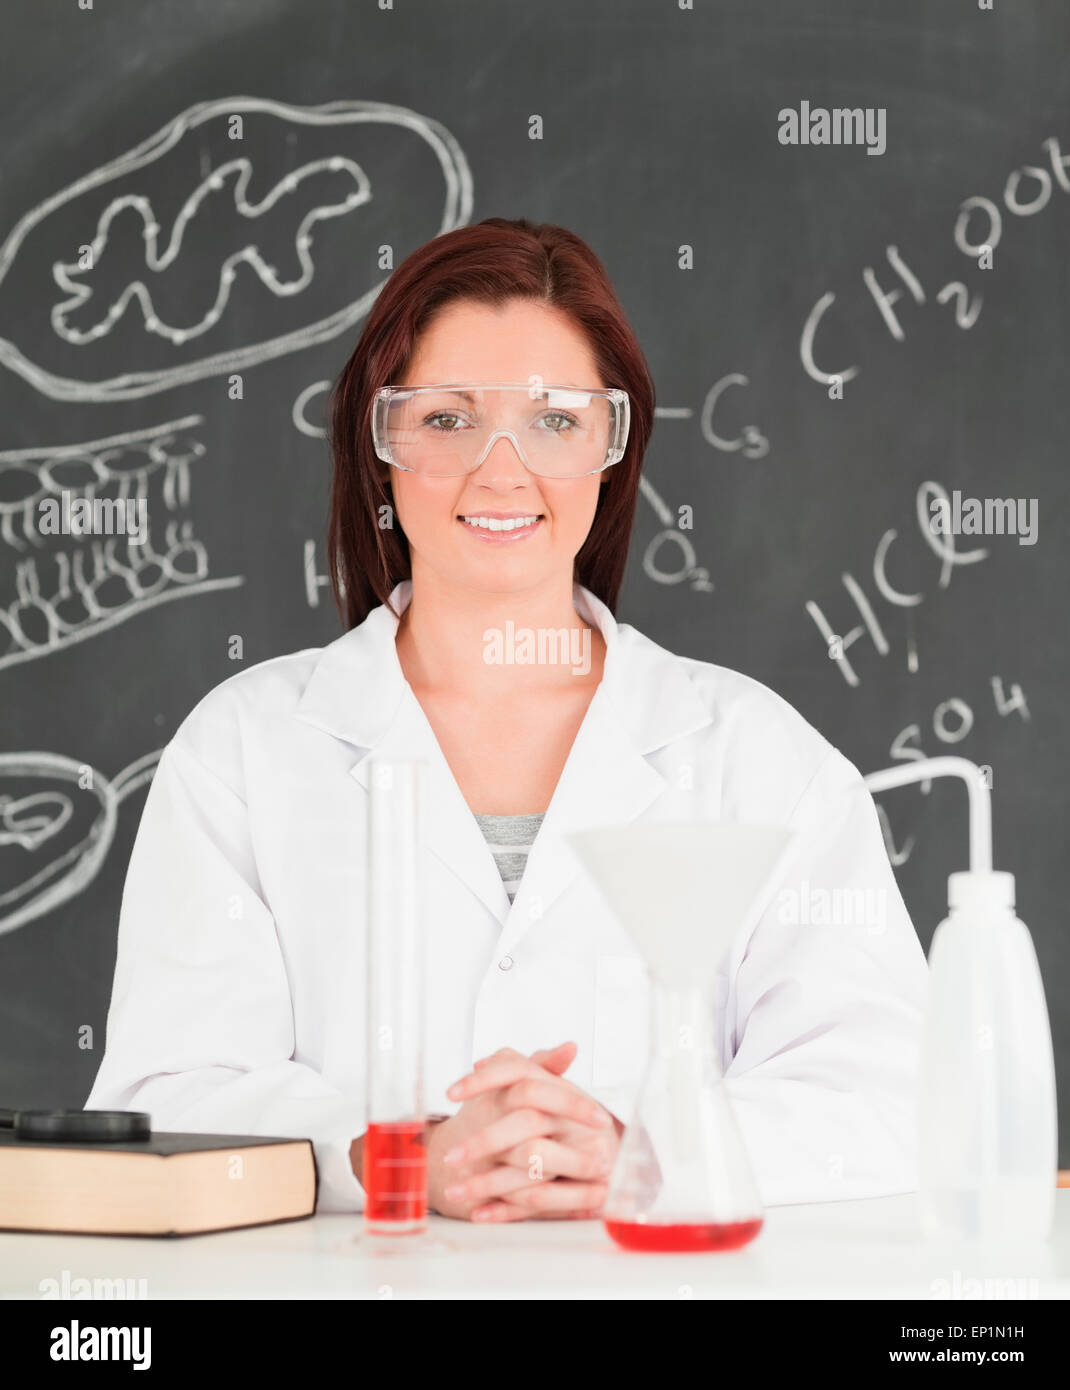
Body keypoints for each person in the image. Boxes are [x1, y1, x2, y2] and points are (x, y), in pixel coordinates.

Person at [86, 217, 927, 1222]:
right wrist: (395, 1159)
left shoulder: (758, 759)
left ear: (612, 448)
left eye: (554, 421)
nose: (501, 470)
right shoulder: (244, 751)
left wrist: (637, 1152)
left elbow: (894, 1095)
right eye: (446, 419)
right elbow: (164, 1097)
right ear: (382, 443)